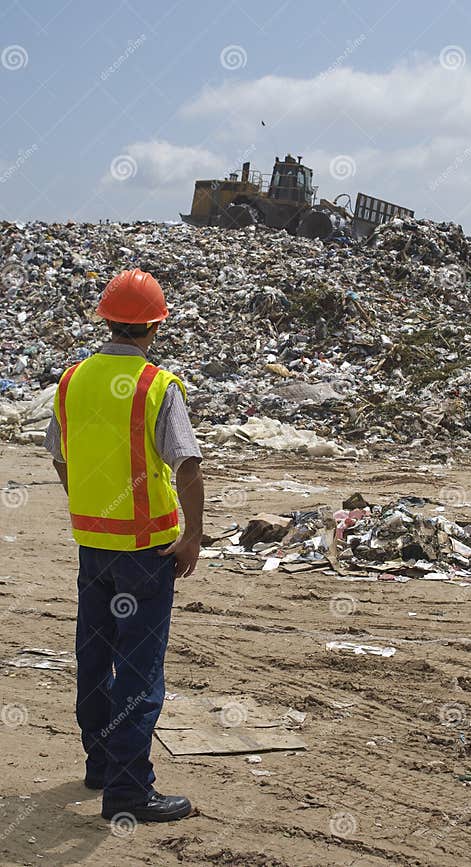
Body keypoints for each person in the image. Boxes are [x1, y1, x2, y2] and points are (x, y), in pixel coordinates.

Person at [44, 267, 204, 823]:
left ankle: (100, 763)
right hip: (148, 551)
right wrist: (193, 534)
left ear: (106, 319)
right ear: (154, 327)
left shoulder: (71, 382)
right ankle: (130, 790)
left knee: (94, 654)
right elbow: (187, 462)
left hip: (94, 546)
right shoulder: (156, 385)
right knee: (138, 668)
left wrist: (88, 506)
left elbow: (62, 457)